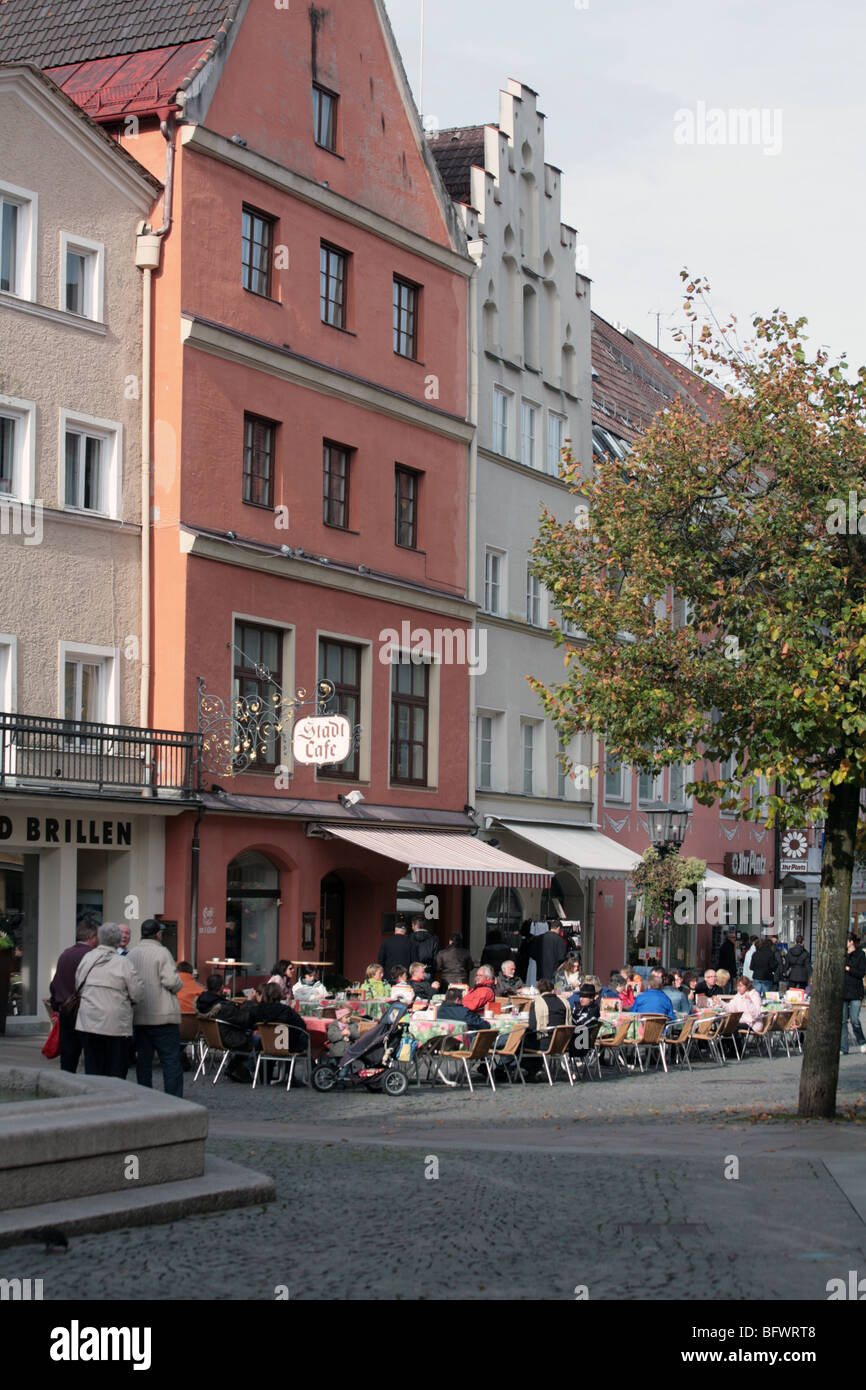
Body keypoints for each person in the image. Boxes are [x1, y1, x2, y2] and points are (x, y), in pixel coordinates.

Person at [75, 923, 143, 1079]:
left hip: (89, 1021)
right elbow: (137, 993)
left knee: (93, 1068)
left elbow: (78, 985)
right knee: (116, 1070)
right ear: (118, 940)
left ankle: (94, 1099)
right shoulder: (123, 963)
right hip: (116, 1024)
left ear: (99, 938)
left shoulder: (87, 958)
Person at [128, 920, 184, 1098]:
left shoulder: (132, 954)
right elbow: (170, 981)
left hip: (140, 1015)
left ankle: (145, 1096)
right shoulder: (162, 952)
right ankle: (173, 1097)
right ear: (158, 934)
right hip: (163, 1015)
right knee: (170, 1060)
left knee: (144, 1061)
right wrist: (179, 983)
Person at [49, 920, 98, 1073]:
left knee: (68, 1058)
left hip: (66, 1010)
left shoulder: (65, 954)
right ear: (91, 936)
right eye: (97, 936)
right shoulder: (92, 955)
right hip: (85, 1011)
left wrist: (56, 1005)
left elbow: (55, 983)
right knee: (91, 1056)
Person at [195, 972, 256, 1082]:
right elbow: (244, 1020)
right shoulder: (223, 1006)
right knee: (255, 1040)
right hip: (229, 1038)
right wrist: (249, 1002)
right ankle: (240, 1069)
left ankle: (234, 1068)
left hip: (211, 1038)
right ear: (221, 987)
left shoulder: (201, 1002)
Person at [246, 981, 308, 1081]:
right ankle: (289, 1075)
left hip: (266, 1045)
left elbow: (249, 1024)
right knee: (298, 1038)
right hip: (287, 1046)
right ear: (279, 995)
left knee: (271, 1041)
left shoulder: (257, 1010)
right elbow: (302, 1026)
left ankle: (266, 1075)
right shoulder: (286, 1010)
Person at [523, 979, 572, 1080]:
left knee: (522, 1040)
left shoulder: (537, 1004)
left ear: (539, 991)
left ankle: (531, 1070)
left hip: (544, 1042)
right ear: (552, 990)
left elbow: (532, 1026)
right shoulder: (564, 1002)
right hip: (563, 1042)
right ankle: (536, 1069)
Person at [841, 935, 866, 1056]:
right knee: (842, 1021)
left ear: (851, 942)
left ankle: (862, 1041)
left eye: (846, 940)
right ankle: (843, 1048)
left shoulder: (860, 955)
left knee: (855, 1020)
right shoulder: (843, 954)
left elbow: (861, 973)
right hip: (844, 991)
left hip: (856, 991)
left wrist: (848, 969)